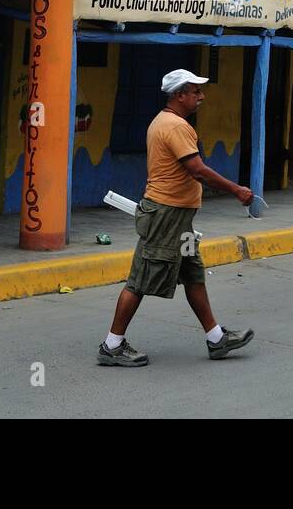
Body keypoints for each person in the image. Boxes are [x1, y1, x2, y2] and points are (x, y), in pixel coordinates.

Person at [98, 69, 258, 367]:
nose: (201, 97)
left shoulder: (167, 122)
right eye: (195, 92)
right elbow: (197, 169)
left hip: (179, 221)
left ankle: (216, 339)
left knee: (192, 273)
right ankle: (112, 345)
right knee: (141, 278)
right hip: (165, 217)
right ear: (179, 95)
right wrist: (236, 190)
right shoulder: (174, 126)